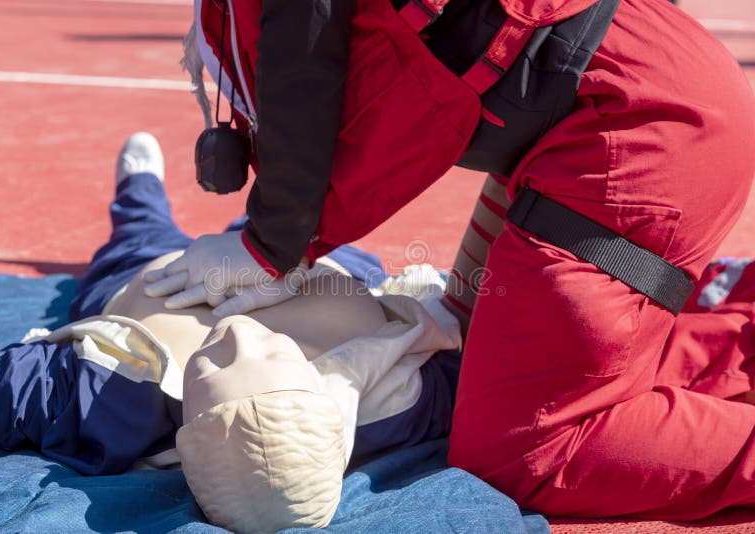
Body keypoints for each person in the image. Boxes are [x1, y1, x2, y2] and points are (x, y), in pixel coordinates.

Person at [163, 0, 755, 521]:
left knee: (525, 449)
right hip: (615, 97)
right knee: (474, 340)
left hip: (634, 122)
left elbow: (308, 56)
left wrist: (267, 243)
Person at [0, 134, 462, 532]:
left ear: (186, 437)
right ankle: (271, 218)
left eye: (217, 363)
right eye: (275, 355)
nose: (241, 331)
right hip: (314, 254)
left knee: (138, 227)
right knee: (305, 205)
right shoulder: (394, 404)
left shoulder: (112, 399)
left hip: (152, 268)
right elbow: (480, 357)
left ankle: (140, 190)